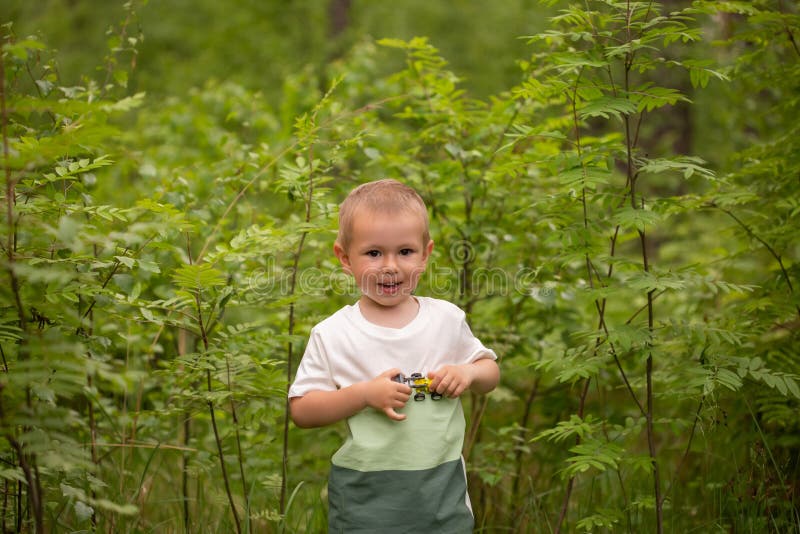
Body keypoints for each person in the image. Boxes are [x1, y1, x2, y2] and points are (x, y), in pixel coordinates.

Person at [289, 179, 500, 532]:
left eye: (405, 252)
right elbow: (302, 410)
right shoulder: (334, 333)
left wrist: (468, 373)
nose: (390, 266)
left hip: (440, 496)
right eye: (374, 253)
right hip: (364, 501)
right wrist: (363, 395)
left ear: (426, 253)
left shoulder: (446, 319)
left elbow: (489, 372)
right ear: (345, 258)